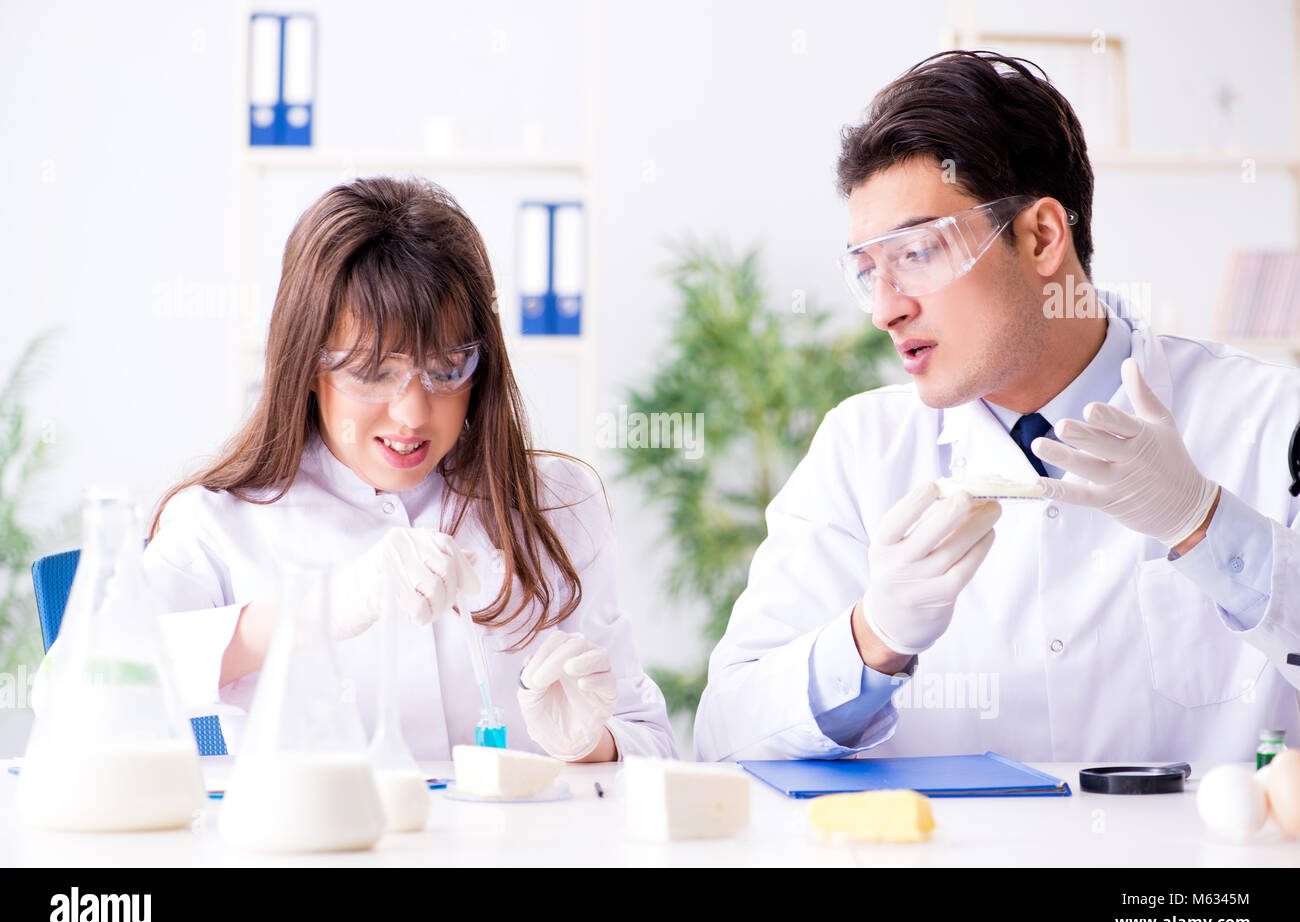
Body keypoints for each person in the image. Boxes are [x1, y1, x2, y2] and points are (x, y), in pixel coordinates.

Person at [694, 51, 1300, 764]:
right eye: (867, 271)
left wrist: (1206, 525)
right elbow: (722, 735)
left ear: (1042, 237)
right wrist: (873, 638)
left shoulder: (1269, 419)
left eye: (916, 251)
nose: (886, 309)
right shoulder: (861, 450)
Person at [138, 176, 676, 762]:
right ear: (305, 363)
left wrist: (593, 743)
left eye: (447, 368)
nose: (414, 413)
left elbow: (655, 746)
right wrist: (316, 609)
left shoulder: (555, 505)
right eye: (372, 372)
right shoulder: (219, 521)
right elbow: (79, 690)